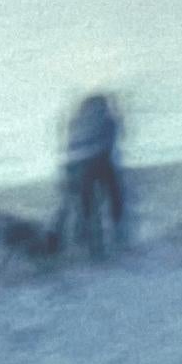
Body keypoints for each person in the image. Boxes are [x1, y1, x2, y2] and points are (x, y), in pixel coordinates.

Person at [55, 92, 126, 256]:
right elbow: (115, 138)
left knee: (87, 210)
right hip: (99, 166)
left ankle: (91, 244)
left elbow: (69, 148)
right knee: (108, 205)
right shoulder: (107, 121)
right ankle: (111, 240)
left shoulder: (76, 122)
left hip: (83, 170)